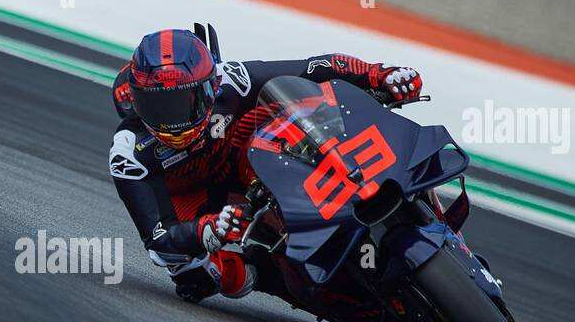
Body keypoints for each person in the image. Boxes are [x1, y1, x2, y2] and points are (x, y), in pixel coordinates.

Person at [109, 27, 422, 301]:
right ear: (137, 103)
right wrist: (206, 229)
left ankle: (350, 188)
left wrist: (379, 74)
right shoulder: (129, 152)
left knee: (295, 114)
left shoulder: (231, 80)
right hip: (194, 202)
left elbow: (315, 67)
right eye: (157, 106)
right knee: (210, 279)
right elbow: (158, 240)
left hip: (241, 156)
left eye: (181, 103)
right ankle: (291, 280)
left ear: (209, 87)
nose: (172, 121)